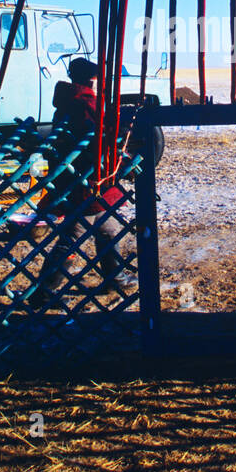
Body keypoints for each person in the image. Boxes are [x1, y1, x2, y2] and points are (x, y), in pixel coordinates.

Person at [33, 57, 137, 300]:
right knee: (74, 233)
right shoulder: (84, 102)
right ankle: (45, 291)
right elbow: (98, 136)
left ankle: (116, 279)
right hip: (87, 180)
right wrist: (119, 130)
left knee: (108, 229)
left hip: (83, 178)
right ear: (92, 79)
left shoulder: (68, 101)